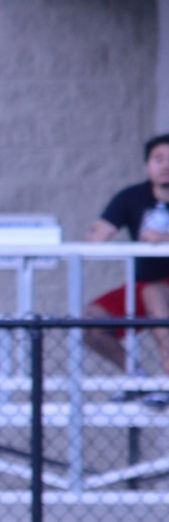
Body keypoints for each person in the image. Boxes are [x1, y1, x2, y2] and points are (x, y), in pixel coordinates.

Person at [83, 133, 169, 404]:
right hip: (143, 285)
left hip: (160, 290)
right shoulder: (132, 197)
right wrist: (97, 236)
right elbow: (100, 232)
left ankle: (167, 383)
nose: (166, 165)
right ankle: (138, 378)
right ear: (147, 165)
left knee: (156, 296)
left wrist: (163, 238)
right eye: (159, 159)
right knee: (88, 320)